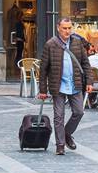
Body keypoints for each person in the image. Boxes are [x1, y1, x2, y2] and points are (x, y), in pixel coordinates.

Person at [38, 18, 92, 155]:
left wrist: (90, 82)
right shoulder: (50, 44)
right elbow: (43, 69)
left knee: (79, 112)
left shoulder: (77, 43)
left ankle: (67, 134)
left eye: (69, 28)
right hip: (58, 85)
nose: (67, 31)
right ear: (58, 28)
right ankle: (60, 145)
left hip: (75, 83)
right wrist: (42, 90)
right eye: (64, 28)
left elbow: (85, 63)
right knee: (59, 116)